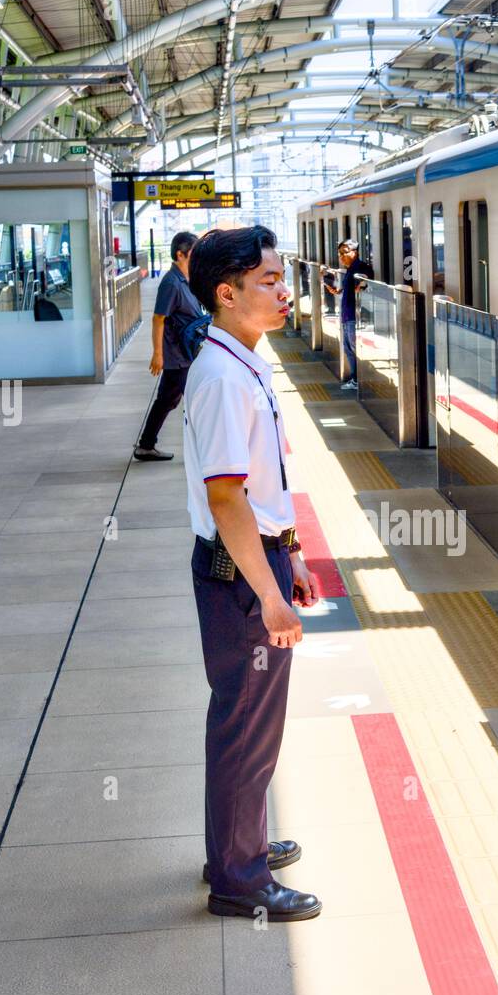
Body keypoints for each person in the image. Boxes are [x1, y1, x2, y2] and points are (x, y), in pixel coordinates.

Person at [184, 225, 323, 922]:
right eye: (268, 280)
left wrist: (290, 548)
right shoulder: (218, 378)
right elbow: (225, 497)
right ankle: (238, 879)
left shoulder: (243, 360)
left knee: (249, 725)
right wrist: (269, 596)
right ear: (227, 292)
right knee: (244, 724)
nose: (283, 289)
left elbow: (263, 484)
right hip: (238, 578)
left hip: (255, 562)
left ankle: (239, 846)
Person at [134, 231, 204, 461]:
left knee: (166, 400)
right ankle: (206, 454)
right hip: (177, 355)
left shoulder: (187, 279)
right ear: (180, 254)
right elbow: (158, 318)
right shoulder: (172, 283)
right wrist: (158, 354)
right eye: (193, 253)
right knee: (197, 404)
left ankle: (146, 445)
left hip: (184, 352)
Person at [321, 238, 373, 389]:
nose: (341, 257)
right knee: (348, 348)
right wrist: (338, 291)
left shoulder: (362, 268)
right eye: (339, 254)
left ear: (354, 252)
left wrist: (360, 287)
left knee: (353, 348)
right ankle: (355, 378)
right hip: (346, 314)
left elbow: (363, 288)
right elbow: (352, 290)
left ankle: (358, 380)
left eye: (344, 253)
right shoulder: (351, 269)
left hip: (353, 316)